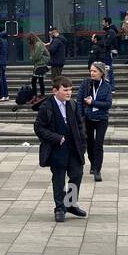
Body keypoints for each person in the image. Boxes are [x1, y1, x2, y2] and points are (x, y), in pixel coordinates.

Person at [34, 77, 87, 223]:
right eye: (65, 90)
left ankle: (70, 204)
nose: (69, 93)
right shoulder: (46, 107)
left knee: (77, 174)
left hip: (74, 147)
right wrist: (56, 138)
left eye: (70, 90)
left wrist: (83, 145)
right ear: (55, 91)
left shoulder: (73, 104)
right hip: (56, 149)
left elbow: (80, 126)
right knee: (58, 179)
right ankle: (59, 208)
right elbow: (38, 128)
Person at [79, 61, 113, 181]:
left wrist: (93, 102)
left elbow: (108, 104)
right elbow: (79, 100)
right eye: (91, 71)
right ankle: (93, 163)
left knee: (98, 144)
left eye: (94, 71)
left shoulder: (107, 86)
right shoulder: (86, 83)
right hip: (88, 118)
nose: (92, 73)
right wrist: (80, 117)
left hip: (101, 119)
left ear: (101, 72)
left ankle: (97, 170)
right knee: (89, 143)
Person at [27, 33, 50, 98]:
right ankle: (41, 94)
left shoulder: (38, 44)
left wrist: (31, 59)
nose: (28, 42)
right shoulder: (38, 44)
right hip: (40, 65)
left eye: (29, 40)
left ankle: (36, 95)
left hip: (40, 65)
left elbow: (37, 56)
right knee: (40, 80)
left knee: (34, 81)